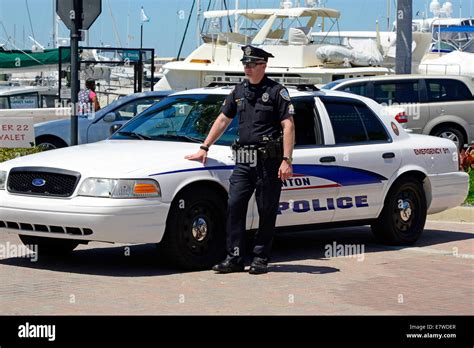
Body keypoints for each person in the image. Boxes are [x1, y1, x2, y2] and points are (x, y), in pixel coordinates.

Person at [185, 45, 295, 274]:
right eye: (245, 64)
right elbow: (223, 120)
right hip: (244, 162)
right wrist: (204, 147)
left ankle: (260, 258)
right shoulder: (238, 91)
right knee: (234, 206)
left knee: (266, 210)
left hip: (268, 162)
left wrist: (287, 160)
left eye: (252, 64)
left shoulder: (276, 92)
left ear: (263, 66)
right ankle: (234, 257)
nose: (247, 68)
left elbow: (288, 125)